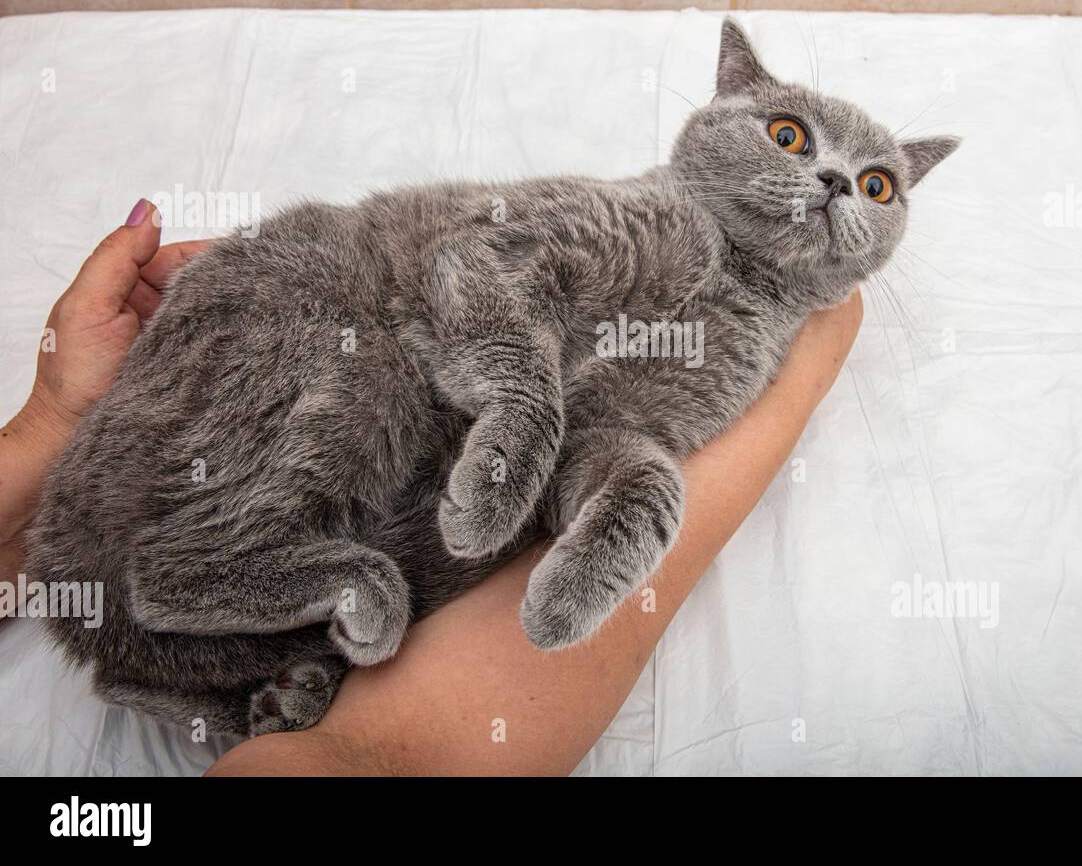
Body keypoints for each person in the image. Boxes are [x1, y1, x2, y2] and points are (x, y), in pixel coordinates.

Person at [0, 200, 863, 776]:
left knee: (465, 545)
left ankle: (192, 657)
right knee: (365, 391)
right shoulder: (654, 221)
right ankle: (210, 568)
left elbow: (602, 455)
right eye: (785, 136)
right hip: (348, 300)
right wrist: (524, 399)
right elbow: (468, 260)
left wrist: (51, 421)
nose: (832, 187)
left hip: (146, 558)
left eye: (878, 186)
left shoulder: (743, 340)